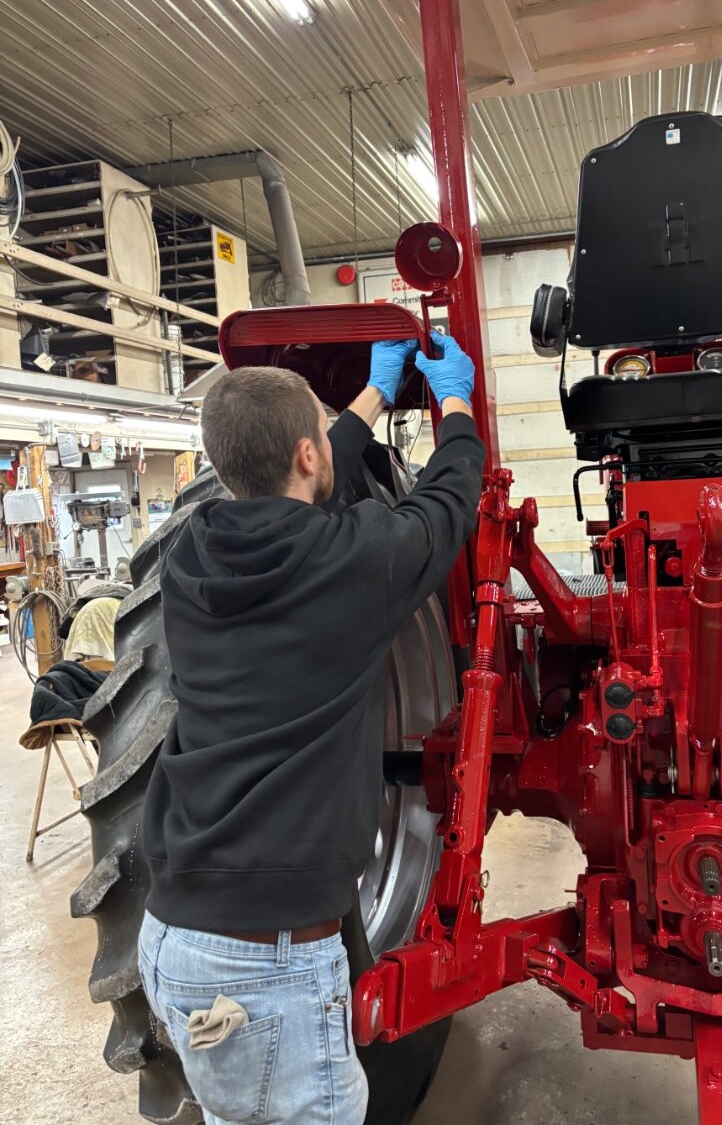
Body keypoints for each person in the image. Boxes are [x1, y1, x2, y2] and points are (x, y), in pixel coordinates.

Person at [137, 333, 484, 1125]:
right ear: (306, 453)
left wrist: (373, 394)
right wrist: (453, 401)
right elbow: (448, 498)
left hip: (170, 941)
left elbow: (296, 471)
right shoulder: (352, 561)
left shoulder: (188, 559)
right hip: (270, 970)